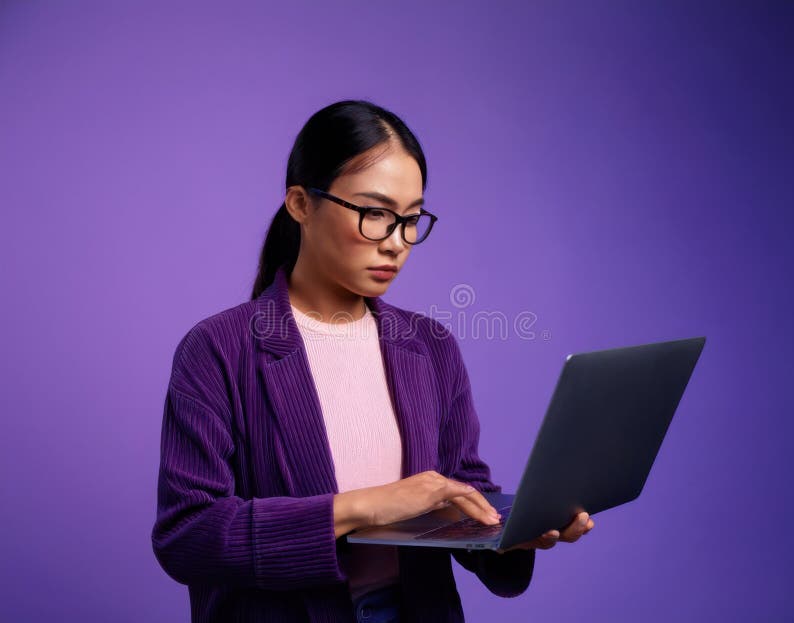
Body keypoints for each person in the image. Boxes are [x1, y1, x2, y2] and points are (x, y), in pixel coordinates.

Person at [151, 99, 594, 623]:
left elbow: (458, 491)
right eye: (375, 214)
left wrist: (507, 532)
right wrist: (364, 506)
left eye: (410, 220)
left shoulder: (429, 346)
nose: (397, 244)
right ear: (300, 204)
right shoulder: (219, 349)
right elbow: (189, 535)